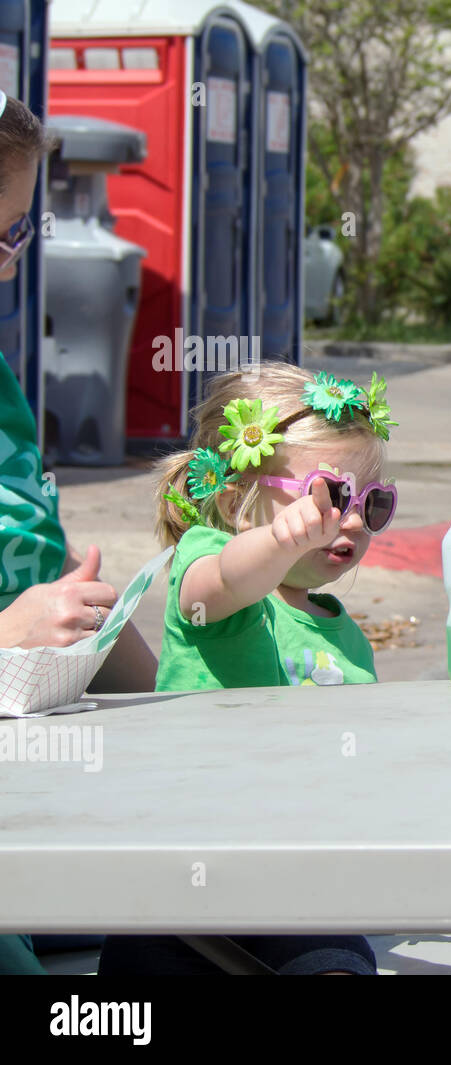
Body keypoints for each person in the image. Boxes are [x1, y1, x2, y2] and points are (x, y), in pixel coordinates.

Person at [96, 363, 400, 975]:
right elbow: (231, 577)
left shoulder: (343, 633)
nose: (353, 520)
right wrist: (281, 542)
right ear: (238, 499)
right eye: (330, 495)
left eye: (373, 502)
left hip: (298, 894)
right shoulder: (210, 572)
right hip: (181, 895)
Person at [0, 89, 158, 976]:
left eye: (24, 235)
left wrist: (196, 704)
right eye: (6, 236)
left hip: (41, 797)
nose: (13, 267)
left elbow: (44, 562)